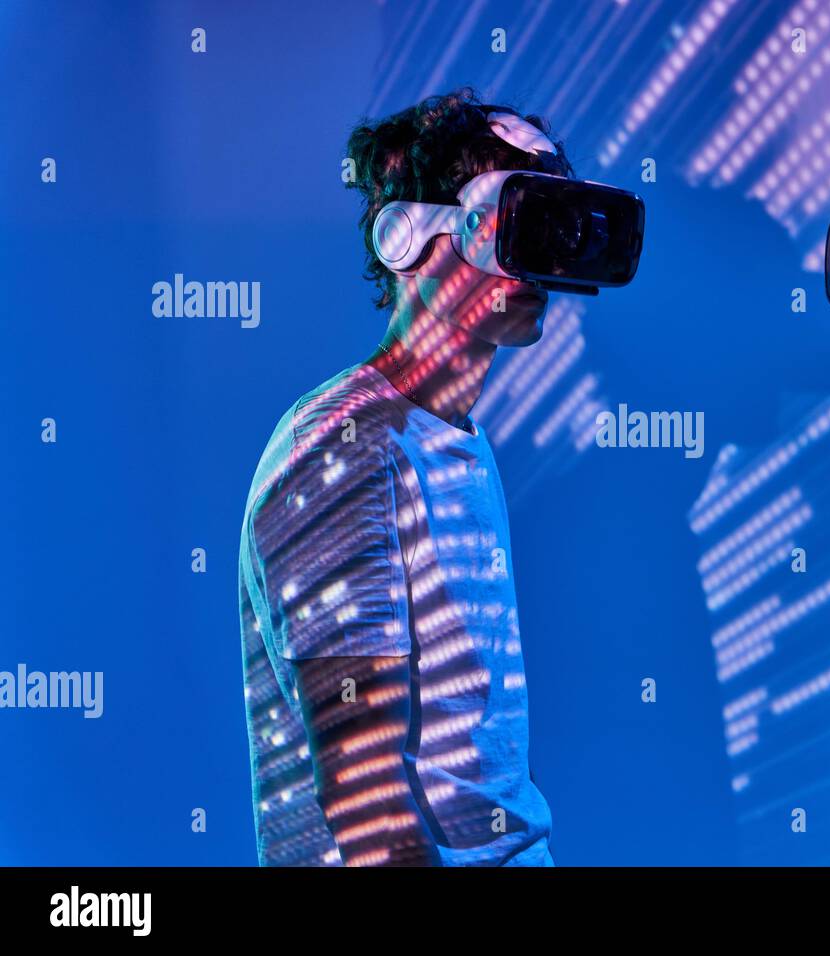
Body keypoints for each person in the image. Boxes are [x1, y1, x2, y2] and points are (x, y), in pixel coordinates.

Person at [237, 89, 571, 866]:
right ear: (404, 237)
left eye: (546, 224)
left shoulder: (453, 438)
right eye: (501, 221)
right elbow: (369, 809)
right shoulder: (345, 446)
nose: (532, 257)